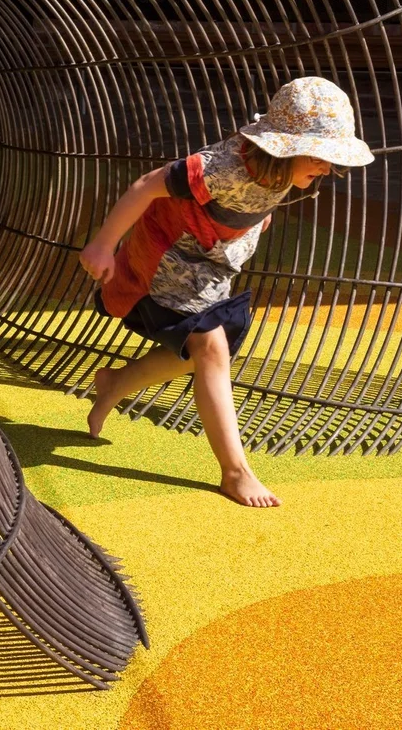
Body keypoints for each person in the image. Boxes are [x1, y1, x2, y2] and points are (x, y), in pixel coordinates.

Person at [78, 76, 374, 508]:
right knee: (211, 349)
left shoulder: (282, 172)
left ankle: (115, 383)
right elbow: (145, 185)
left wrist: (253, 220)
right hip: (169, 253)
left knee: (195, 352)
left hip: (213, 259)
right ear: (281, 148)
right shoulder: (218, 168)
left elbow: (252, 201)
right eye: (320, 156)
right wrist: (104, 245)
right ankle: (235, 472)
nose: (328, 167)